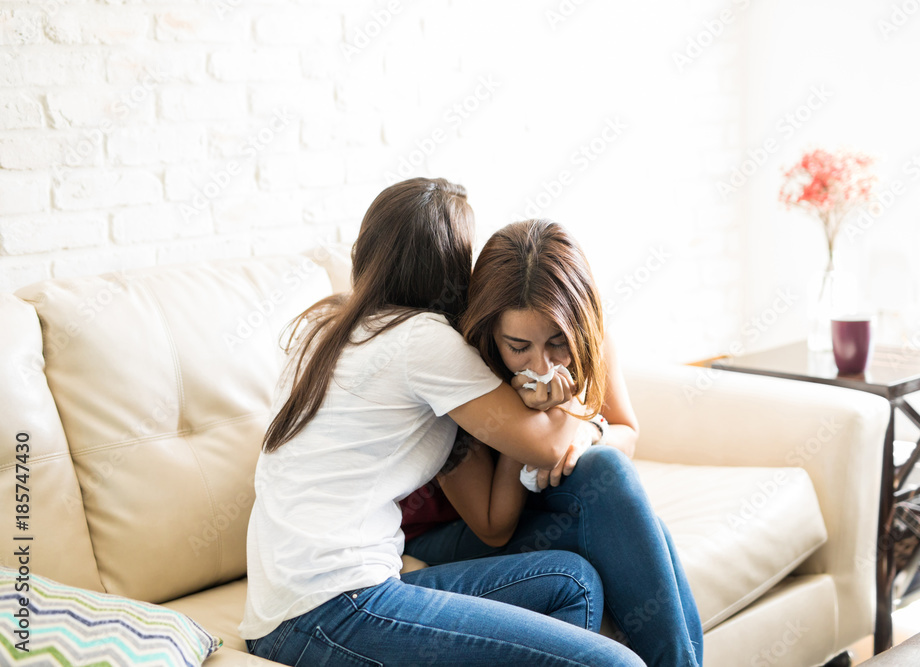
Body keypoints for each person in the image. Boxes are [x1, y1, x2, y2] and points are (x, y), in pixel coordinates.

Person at [238, 178, 643, 667]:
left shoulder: (322, 327)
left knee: (572, 583)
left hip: (313, 604)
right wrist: (566, 390)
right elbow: (548, 448)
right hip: (327, 611)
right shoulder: (422, 340)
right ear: (455, 270)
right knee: (617, 664)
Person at [401, 219, 704, 667]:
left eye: (557, 342)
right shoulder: (461, 372)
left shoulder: (588, 339)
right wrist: (530, 426)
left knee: (609, 473)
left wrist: (584, 432)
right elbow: (494, 525)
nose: (541, 365)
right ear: (491, 336)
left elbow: (625, 431)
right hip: (444, 534)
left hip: (529, 506)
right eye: (518, 346)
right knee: (640, 530)